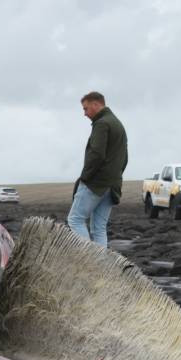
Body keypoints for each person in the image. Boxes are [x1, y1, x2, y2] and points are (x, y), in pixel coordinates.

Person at [66, 91, 128, 248]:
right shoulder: (117, 124)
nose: (84, 113)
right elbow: (125, 158)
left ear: (96, 104)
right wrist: (115, 176)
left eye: (86, 109)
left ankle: (89, 261)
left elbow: (97, 155)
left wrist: (85, 178)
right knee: (99, 228)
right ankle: (101, 266)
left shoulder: (102, 124)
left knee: (75, 219)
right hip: (113, 184)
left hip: (96, 183)